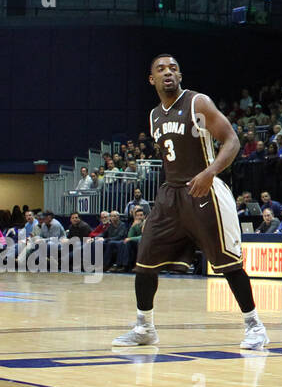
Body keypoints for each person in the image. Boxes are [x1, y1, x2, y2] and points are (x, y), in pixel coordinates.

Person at [112, 55, 268, 351]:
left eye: (172, 68)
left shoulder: (198, 102)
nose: (167, 73)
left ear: (180, 74)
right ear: (151, 80)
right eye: (160, 69)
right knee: (144, 261)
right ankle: (144, 328)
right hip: (170, 196)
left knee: (229, 263)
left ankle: (255, 326)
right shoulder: (154, 115)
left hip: (203, 190)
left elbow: (231, 140)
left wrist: (209, 173)